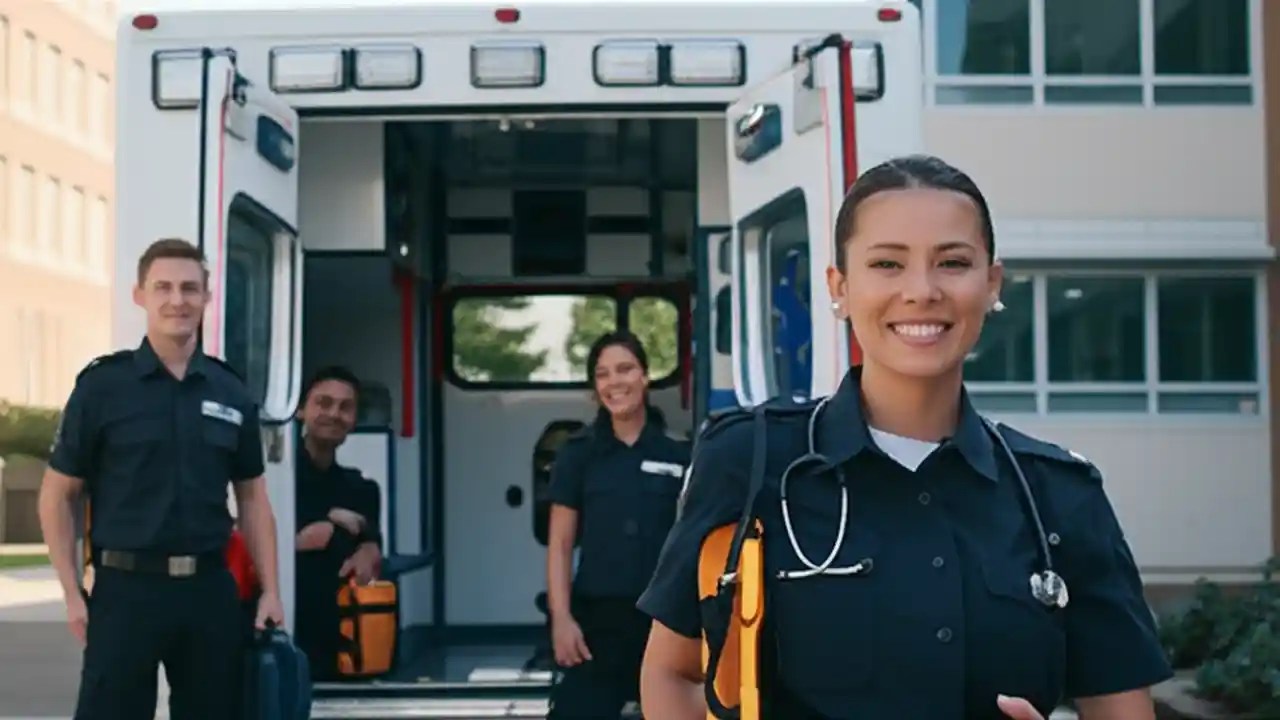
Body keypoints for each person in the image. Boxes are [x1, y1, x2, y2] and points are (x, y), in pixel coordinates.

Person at [636, 155, 1173, 720]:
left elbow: (1123, 708)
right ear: (839, 287)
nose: (922, 291)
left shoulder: (1061, 495)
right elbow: (673, 674)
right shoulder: (749, 460)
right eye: (888, 264)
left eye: (953, 263)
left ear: (992, 284)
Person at [37, 237, 285, 720]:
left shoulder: (230, 390)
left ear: (207, 298)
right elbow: (57, 494)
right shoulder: (102, 389)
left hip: (210, 591)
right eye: (164, 287)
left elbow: (253, 500)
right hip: (125, 592)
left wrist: (271, 590)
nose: (178, 300)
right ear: (140, 295)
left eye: (191, 288)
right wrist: (71, 590)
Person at [545, 331, 692, 719]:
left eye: (625, 369)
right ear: (595, 388)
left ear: (644, 376)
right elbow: (560, 545)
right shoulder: (577, 455)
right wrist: (562, 620)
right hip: (598, 624)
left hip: (665, 623)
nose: (615, 382)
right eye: (603, 374)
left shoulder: (679, 453)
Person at [293, 365, 384, 680]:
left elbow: (371, 542)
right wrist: (325, 524)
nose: (334, 414)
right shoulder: (276, 479)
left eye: (346, 407)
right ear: (300, 410)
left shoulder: (360, 488)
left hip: (343, 641)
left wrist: (370, 546)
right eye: (323, 403)